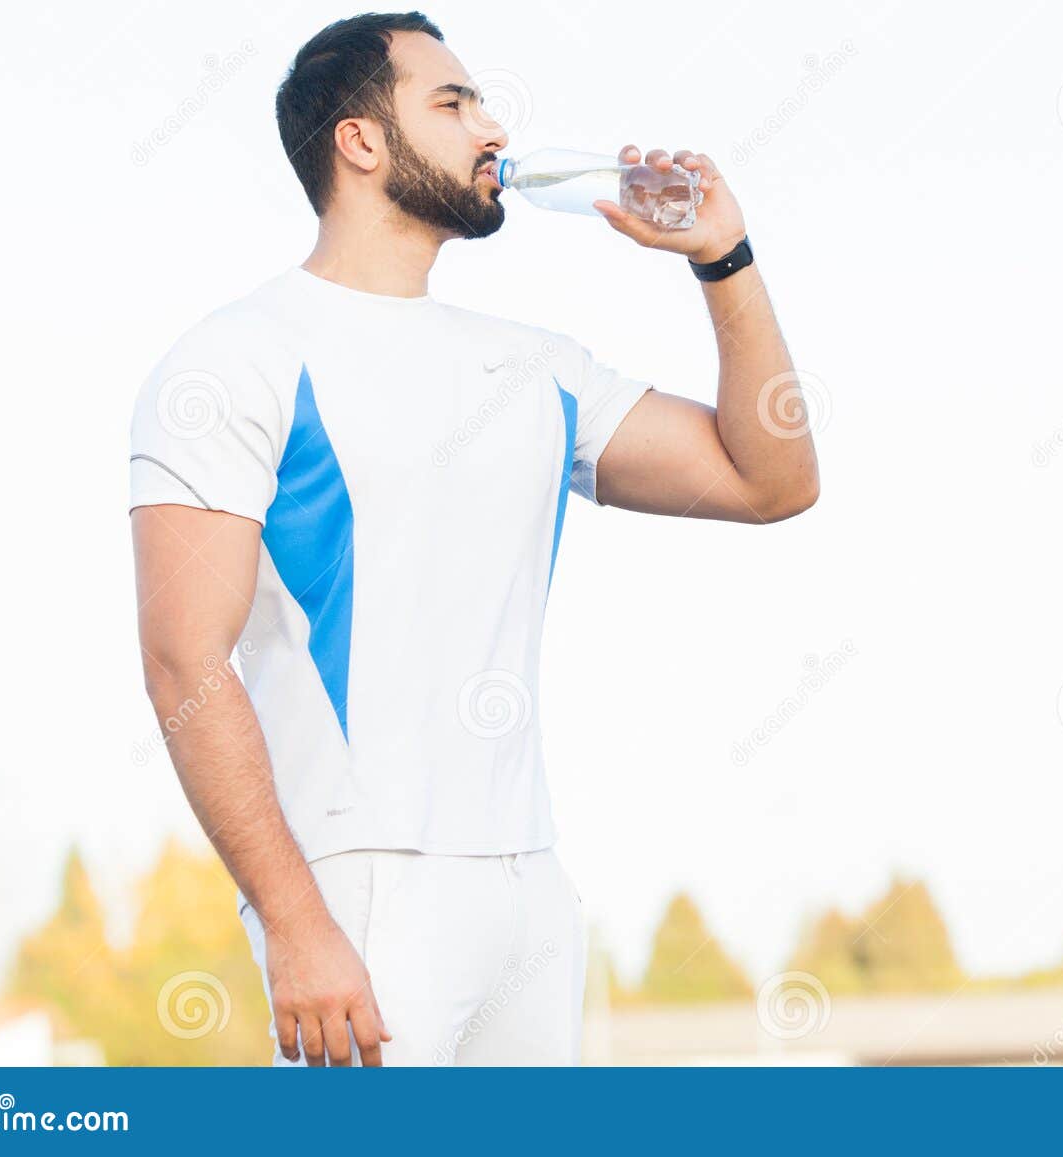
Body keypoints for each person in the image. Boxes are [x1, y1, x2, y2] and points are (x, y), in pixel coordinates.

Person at [128, 11, 819, 1067]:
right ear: (359, 141)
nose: (492, 127)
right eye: (452, 103)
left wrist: (722, 257)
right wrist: (297, 920)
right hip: (360, 885)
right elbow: (184, 658)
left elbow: (770, 480)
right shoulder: (237, 357)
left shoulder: (537, 366)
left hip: (530, 890)